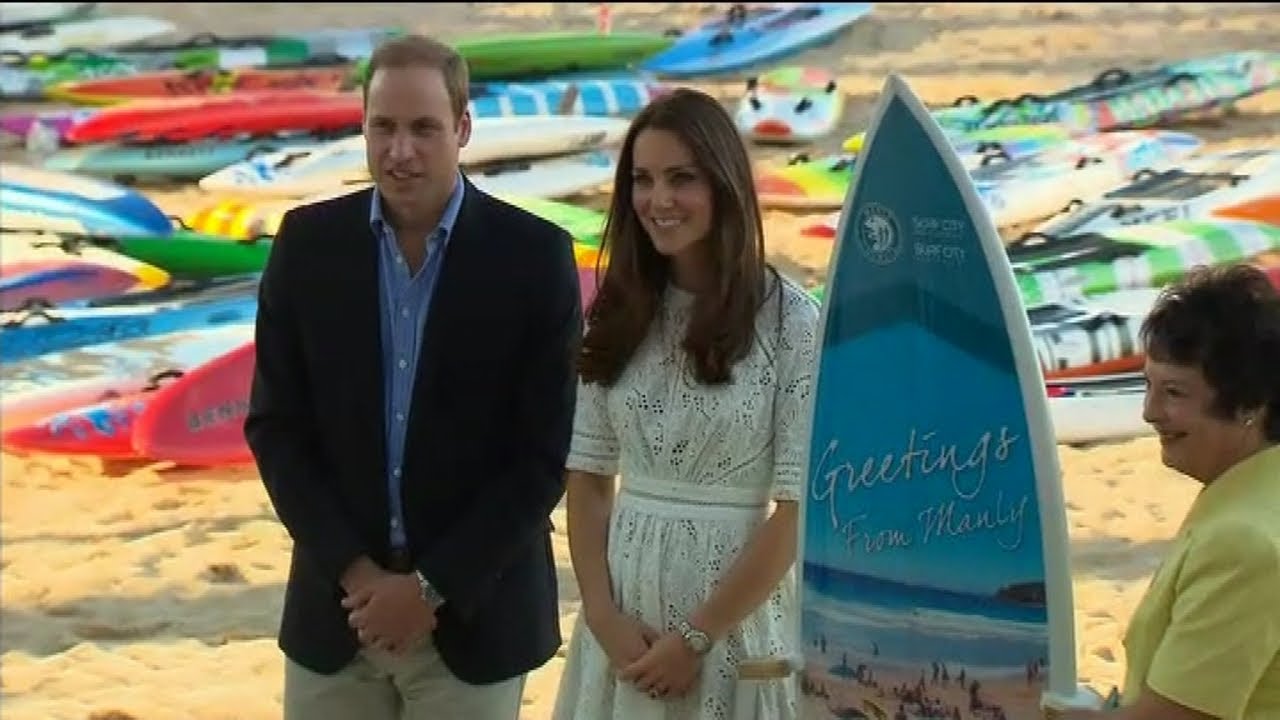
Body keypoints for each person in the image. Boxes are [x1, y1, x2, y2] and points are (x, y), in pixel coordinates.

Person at [243, 34, 582, 720]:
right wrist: (360, 576)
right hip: (337, 617)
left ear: (461, 127)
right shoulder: (307, 246)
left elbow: (544, 457)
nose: (401, 150)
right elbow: (277, 430)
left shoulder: (535, 257)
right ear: (363, 127)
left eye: (424, 128)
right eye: (383, 127)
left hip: (474, 622)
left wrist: (427, 589)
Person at [551, 86, 820, 719]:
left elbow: (795, 510)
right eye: (643, 180)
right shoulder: (615, 314)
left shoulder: (791, 322)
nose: (658, 200)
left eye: (681, 178)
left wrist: (697, 637)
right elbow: (587, 478)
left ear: (723, 185)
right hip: (621, 626)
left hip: (734, 629)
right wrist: (602, 615)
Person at [1045, 263, 1280, 719]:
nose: (1149, 412)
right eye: (1147, 385)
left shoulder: (1242, 542)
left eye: (1174, 392)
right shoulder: (1252, 498)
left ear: (1251, 403)